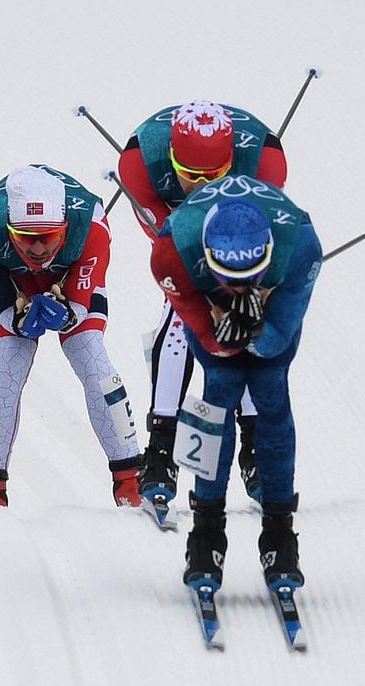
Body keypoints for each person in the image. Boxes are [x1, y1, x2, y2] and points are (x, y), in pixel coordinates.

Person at [150, 177, 319, 593]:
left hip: (272, 307)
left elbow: (280, 335)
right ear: (207, 257)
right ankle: (206, 530)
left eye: (251, 277)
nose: (241, 287)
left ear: (268, 256)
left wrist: (256, 330)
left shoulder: (301, 245)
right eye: (230, 278)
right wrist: (220, 335)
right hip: (212, 305)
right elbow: (201, 333)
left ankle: (280, 530)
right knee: (218, 393)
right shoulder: (171, 252)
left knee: (271, 393)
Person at [118, 101, 289, 505]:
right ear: (173, 159)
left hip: (241, 217)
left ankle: (255, 443)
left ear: (231, 162)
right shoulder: (138, 164)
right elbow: (166, 240)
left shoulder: (266, 161)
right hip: (172, 217)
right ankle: (161, 447)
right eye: (191, 175)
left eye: (212, 176)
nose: (201, 185)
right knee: (182, 315)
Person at [0, 165, 142, 507]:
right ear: (8, 230)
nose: (40, 249)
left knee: (90, 355)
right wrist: (17, 319)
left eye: (50, 236)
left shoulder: (93, 227)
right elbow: (2, 301)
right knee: (7, 367)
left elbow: (82, 300)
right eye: (26, 238)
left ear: (66, 228)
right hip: (14, 283)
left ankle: (131, 478)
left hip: (71, 278)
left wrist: (70, 310)